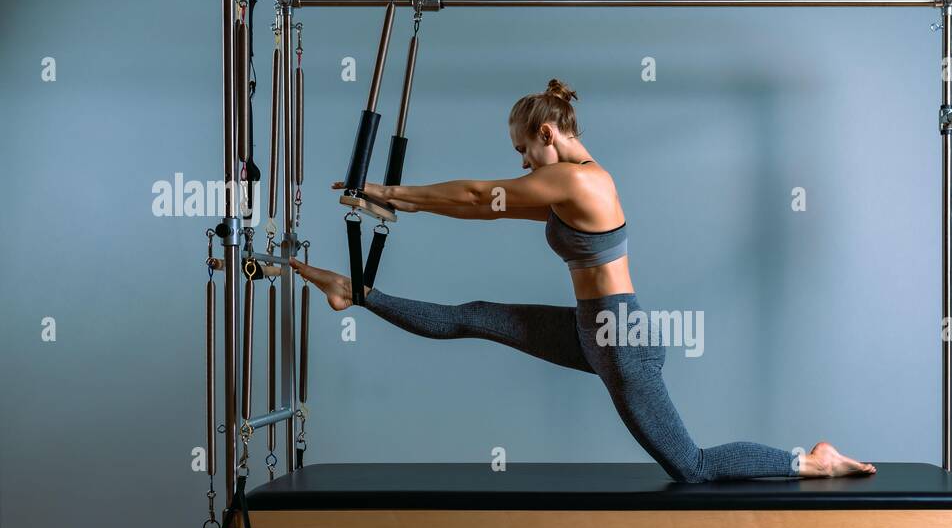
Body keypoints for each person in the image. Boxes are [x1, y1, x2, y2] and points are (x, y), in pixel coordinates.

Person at [292, 79, 875, 482]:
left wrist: (391, 191)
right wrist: (408, 206)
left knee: (690, 465)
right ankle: (355, 292)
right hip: (592, 332)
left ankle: (810, 461)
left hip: (621, 342)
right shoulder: (565, 188)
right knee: (473, 316)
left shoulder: (582, 183)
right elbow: (482, 206)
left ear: (548, 132)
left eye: (524, 149)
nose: (521, 162)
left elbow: (477, 193)